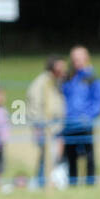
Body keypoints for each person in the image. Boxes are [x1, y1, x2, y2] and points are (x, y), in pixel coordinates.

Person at [61, 46, 100, 186]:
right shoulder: (68, 78)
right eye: (73, 58)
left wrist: (88, 116)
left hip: (84, 124)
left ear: (86, 58)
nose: (76, 61)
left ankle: (90, 183)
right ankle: (72, 184)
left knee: (89, 156)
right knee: (70, 157)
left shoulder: (92, 78)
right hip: (69, 124)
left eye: (79, 58)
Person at [27, 56, 66, 187]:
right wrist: (40, 125)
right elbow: (34, 105)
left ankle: (47, 182)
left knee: (52, 157)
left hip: (55, 127)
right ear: (53, 67)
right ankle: (41, 183)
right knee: (47, 157)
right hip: (45, 127)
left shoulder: (55, 82)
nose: (63, 70)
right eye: (60, 66)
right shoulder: (42, 82)